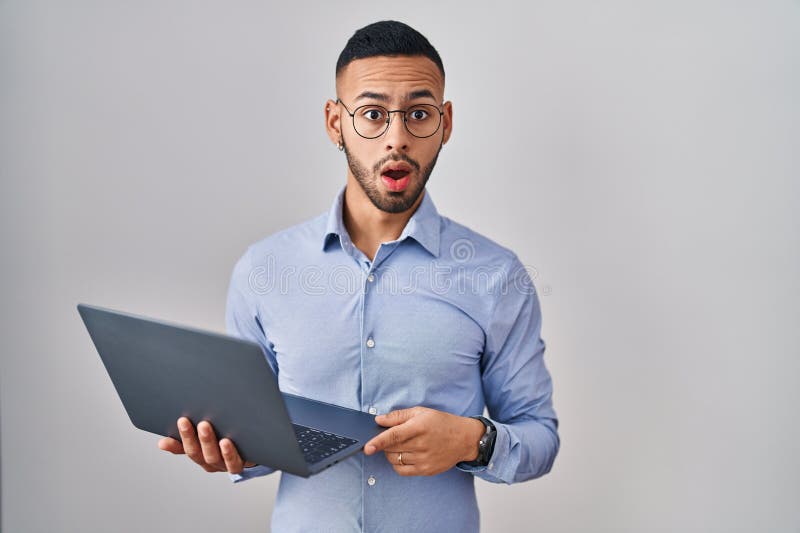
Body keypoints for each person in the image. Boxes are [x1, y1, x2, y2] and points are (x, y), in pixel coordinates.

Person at [158, 20, 559, 532]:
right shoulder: (263, 271)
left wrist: (470, 441)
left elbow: (539, 436)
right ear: (335, 123)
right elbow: (255, 432)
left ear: (446, 123)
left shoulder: (496, 276)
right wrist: (232, 449)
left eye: (419, 114)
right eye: (372, 114)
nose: (397, 139)